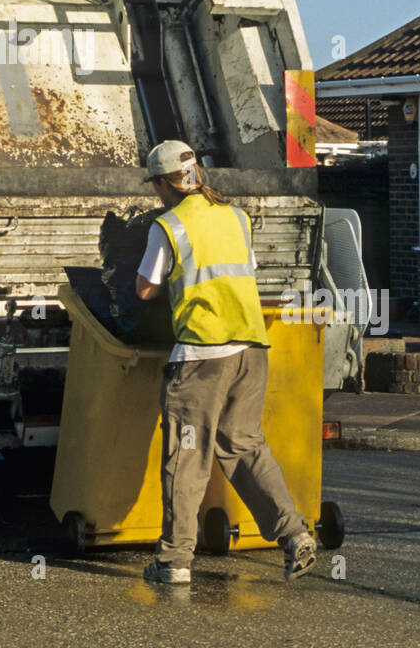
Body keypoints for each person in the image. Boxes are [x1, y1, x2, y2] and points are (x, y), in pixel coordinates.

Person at [135, 139, 318, 584]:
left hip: (202, 355)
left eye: (155, 185)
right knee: (244, 445)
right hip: (251, 350)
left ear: (164, 183)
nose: (156, 193)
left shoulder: (169, 225)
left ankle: (174, 562)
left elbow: (145, 288)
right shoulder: (236, 217)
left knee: (187, 455)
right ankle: (294, 535)